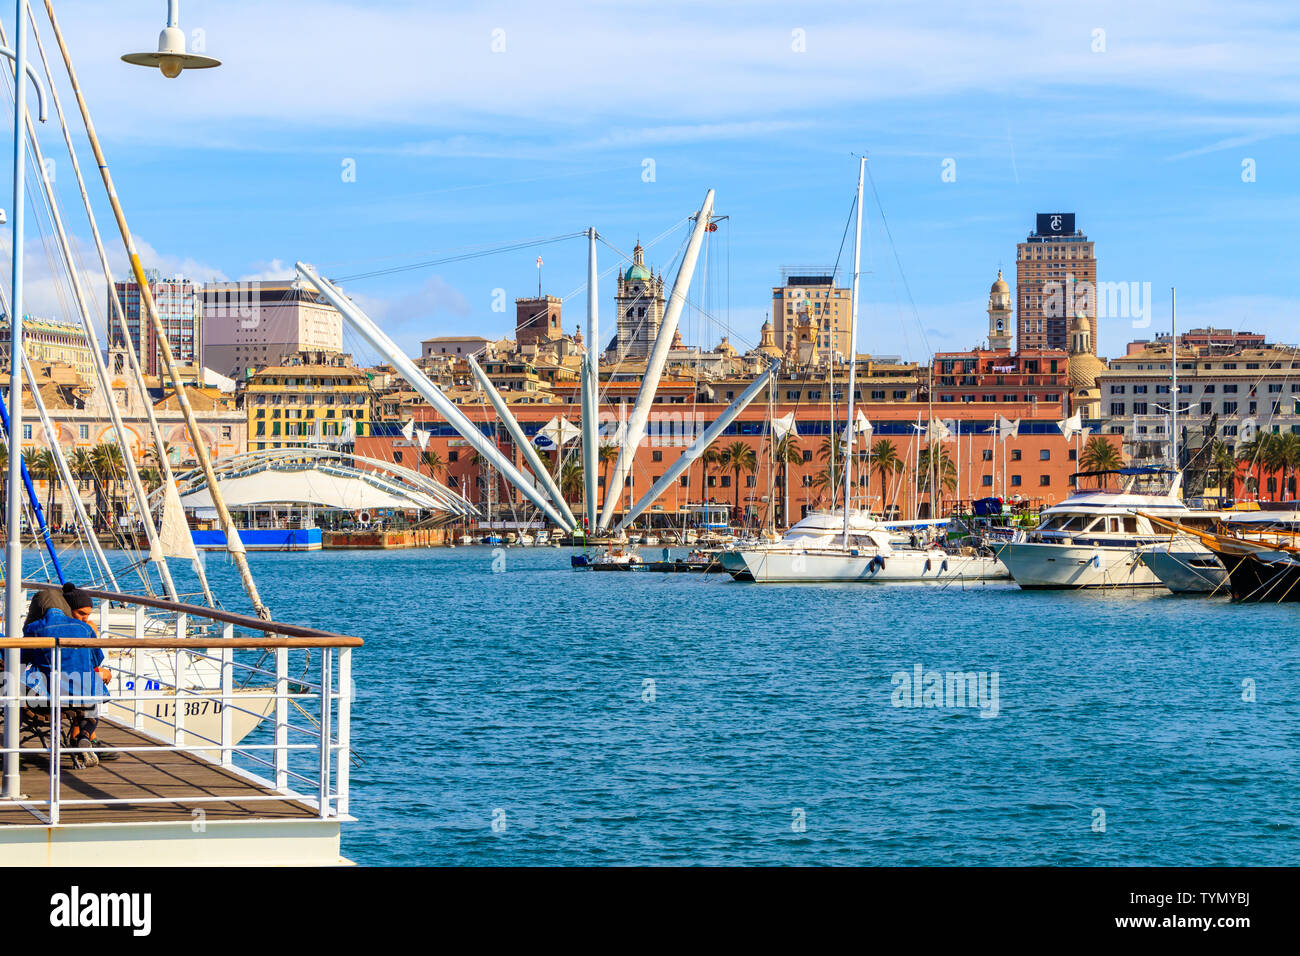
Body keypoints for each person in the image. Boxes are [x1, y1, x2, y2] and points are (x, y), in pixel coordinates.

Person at [22, 583, 118, 768]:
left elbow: (22, 660)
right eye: (82, 613)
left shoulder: (34, 628)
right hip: (81, 697)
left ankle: (81, 738)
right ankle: (84, 735)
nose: (86, 618)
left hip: (47, 700)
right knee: (89, 690)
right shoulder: (84, 629)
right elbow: (96, 661)